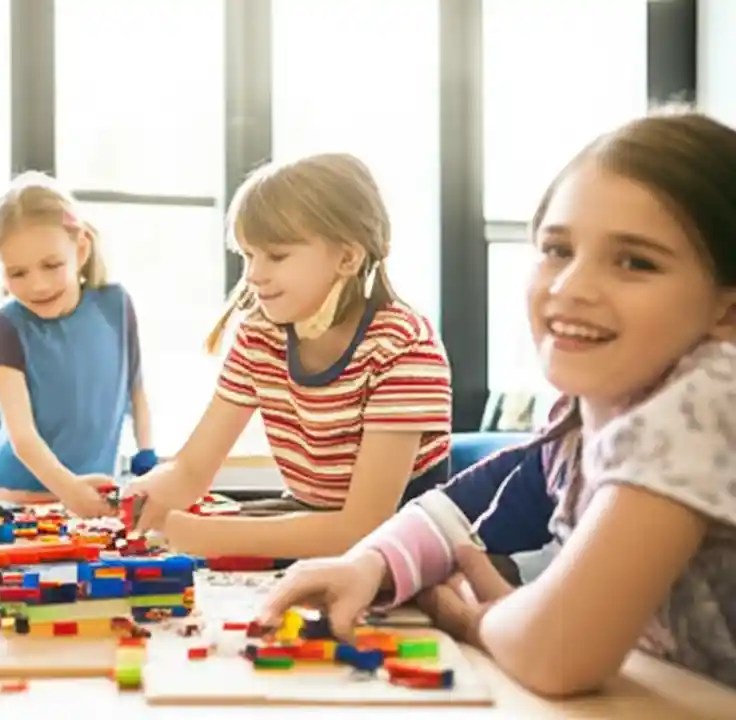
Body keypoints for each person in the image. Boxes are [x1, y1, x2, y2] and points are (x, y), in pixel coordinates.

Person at [259, 111, 736, 695]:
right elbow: (463, 508)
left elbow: (557, 652)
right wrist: (367, 563)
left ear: (728, 309)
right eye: (557, 249)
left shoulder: (709, 399)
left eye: (635, 262)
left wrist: (470, 618)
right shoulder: (589, 414)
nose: (570, 287)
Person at [131, 153, 451, 558]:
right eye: (248, 255)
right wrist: (137, 497)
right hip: (312, 519)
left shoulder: (403, 348)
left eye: (276, 256)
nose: (253, 274)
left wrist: (206, 535)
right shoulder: (260, 336)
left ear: (347, 258)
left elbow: (363, 529)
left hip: (401, 541)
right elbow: (191, 470)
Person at [0, 172, 156, 518]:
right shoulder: (5, 326)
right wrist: (68, 491)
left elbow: (136, 390)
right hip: (18, 502)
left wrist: (147, 455)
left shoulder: (116, 306)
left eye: (51, 265)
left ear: (81, 249)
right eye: (17, 273)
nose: (38, 285)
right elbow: (22, 436)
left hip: (92, 500)